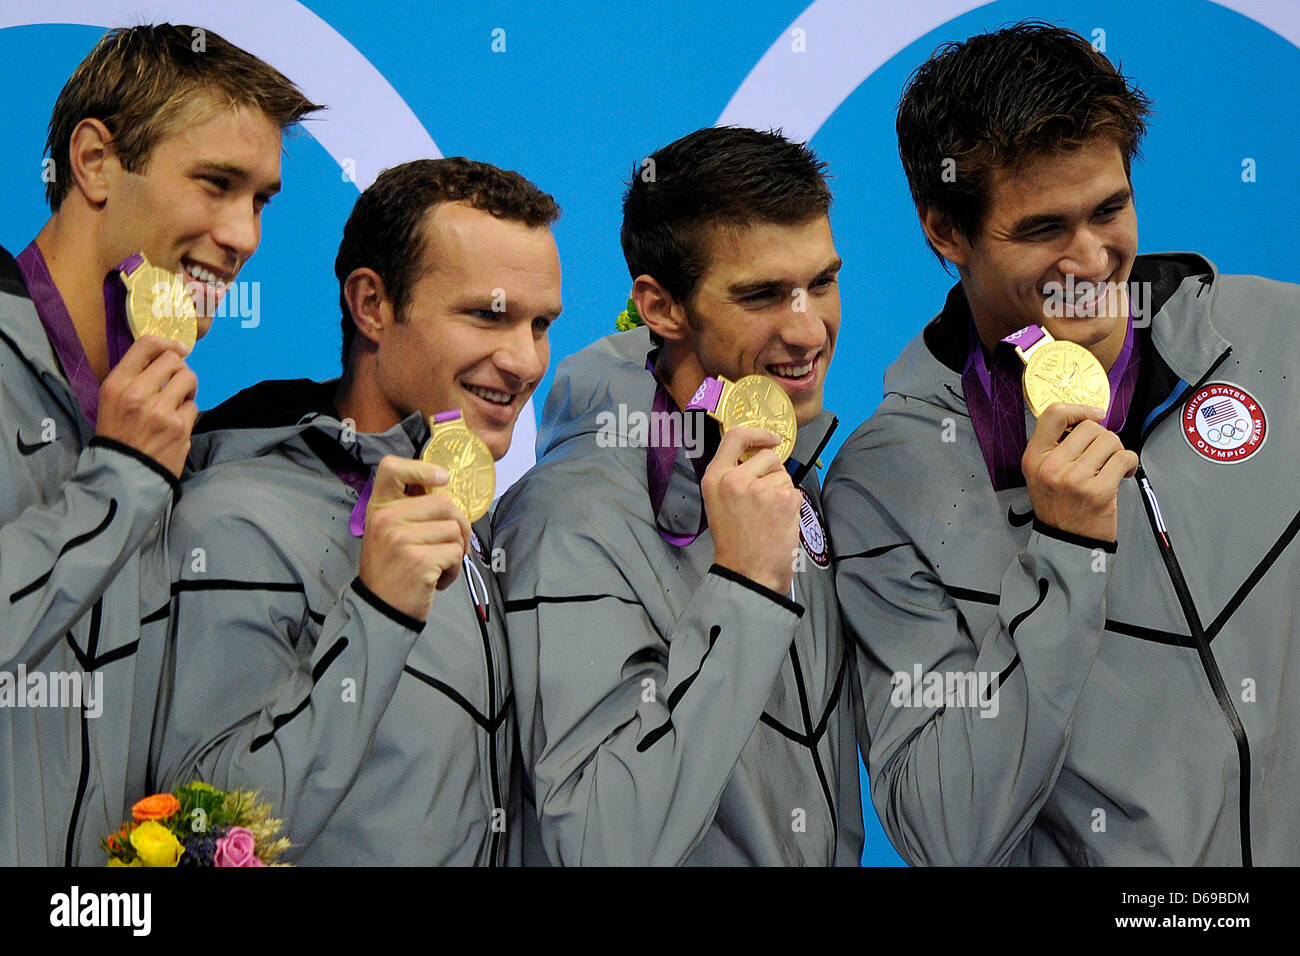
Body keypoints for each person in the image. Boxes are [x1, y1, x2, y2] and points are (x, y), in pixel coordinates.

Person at [824, 21, 1300, 865]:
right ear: (945, 231)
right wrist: (1066, 557)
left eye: (1110, 209)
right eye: (1043, 229)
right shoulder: (886, 485)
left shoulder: (1275, 337)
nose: (1092, 259)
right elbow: (945, 831)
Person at [152, 158, 562, 865]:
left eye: (541, 324)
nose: (525, 360)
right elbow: (203, 835)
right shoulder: (232, 520)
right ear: (372, 305)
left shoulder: (472, 523)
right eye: (488, 315)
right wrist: (378, 612)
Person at [493, 126, 863, 866]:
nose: (808, 327)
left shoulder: (788, 459)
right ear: (661, 308)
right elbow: (599, 842)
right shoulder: (568, 519)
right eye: (761, 295)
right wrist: (748, 586)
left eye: (821, 282)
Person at [0, 23, 318, 865]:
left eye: (261, 200)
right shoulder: (132, 451)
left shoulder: (162, 421)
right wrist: (123, 480)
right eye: (216, 184)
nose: (245, 234)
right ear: (96, 162)